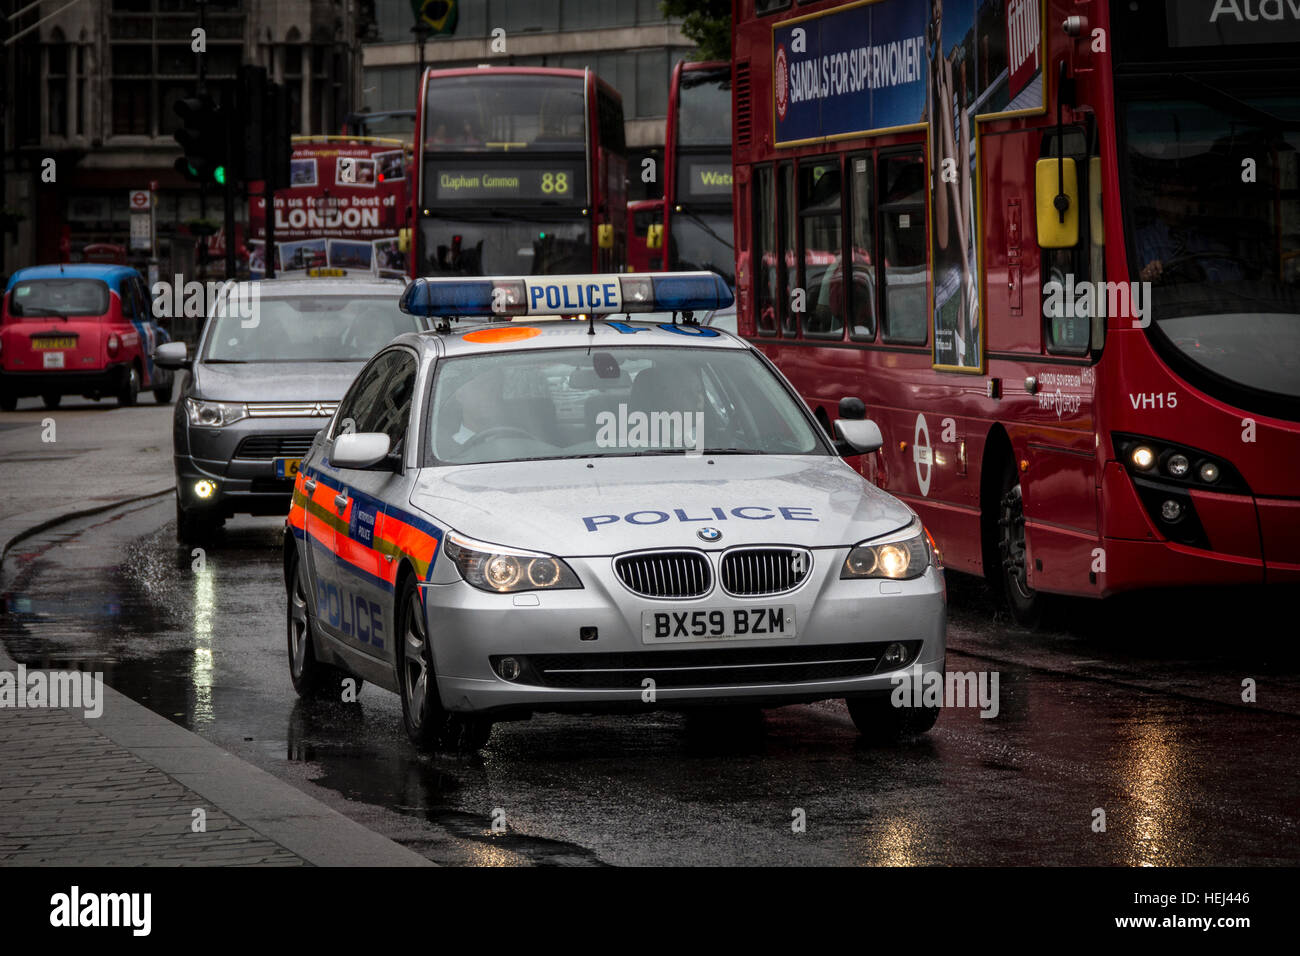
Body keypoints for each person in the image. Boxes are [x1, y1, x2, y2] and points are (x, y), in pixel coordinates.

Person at [1136, 190, 1244, 284]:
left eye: (1189, 197)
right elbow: (1127, 289)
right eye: (1177, 196)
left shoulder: (1207, 239)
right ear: (1158, 201)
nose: (1186, 203)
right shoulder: (1137, 241)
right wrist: (1145, 278)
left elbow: (1235, 278)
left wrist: (1206, 272)